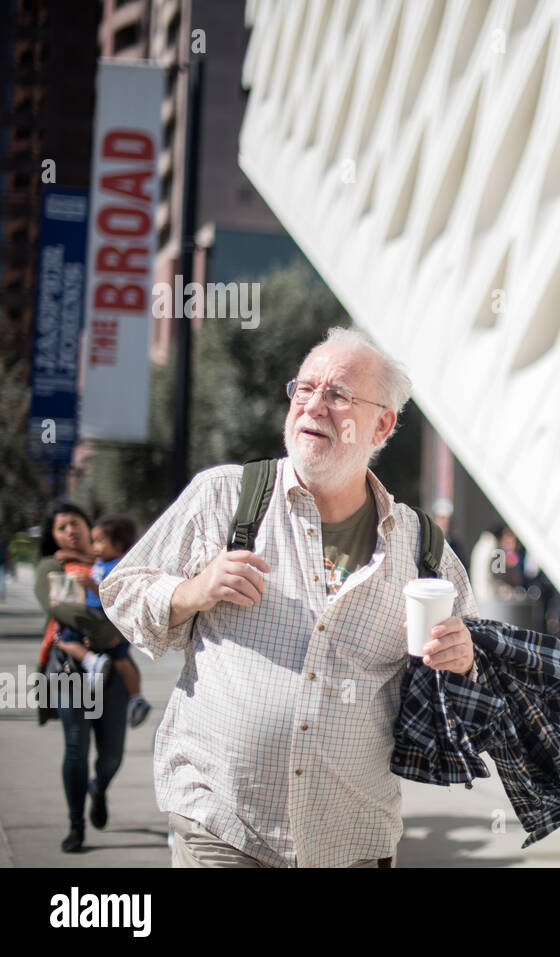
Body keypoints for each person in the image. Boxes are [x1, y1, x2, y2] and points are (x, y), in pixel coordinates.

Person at [100, 326, 480, 868]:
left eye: (338, 395)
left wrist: (463, 658)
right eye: (304, 388)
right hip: (222, 824)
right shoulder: (225, 496)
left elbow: (476, 673)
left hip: (351, 840)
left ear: (383, 424)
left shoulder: (422, 547)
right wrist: (192, 590)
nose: (313, 405)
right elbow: (122, 588)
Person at [33, 503, 130, 853]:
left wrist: (119, 632)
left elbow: (135, 606)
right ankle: (75, 825)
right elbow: (61, 608)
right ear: (53, 536)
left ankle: (98, 787)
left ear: (90, 527)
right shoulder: (51, 566)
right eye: (61, 528)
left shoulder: (119, 564)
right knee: (76, 746)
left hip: (113, 670)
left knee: (112, 755)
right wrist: (109, 632)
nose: (70, 532)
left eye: (75, 523)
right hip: (68, 669)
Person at [56, 514, 152, 728]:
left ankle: (94, 663)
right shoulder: (104, 561)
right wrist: (76, 557)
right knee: (121, 659)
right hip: (103, 620)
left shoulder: (119, 567)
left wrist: (90, 584)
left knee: (66, 640)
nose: (94, 547)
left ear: (118, 545)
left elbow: (113, 595)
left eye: (99, 541)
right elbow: (91, 560)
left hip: (103, 617)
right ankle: (136, 697)